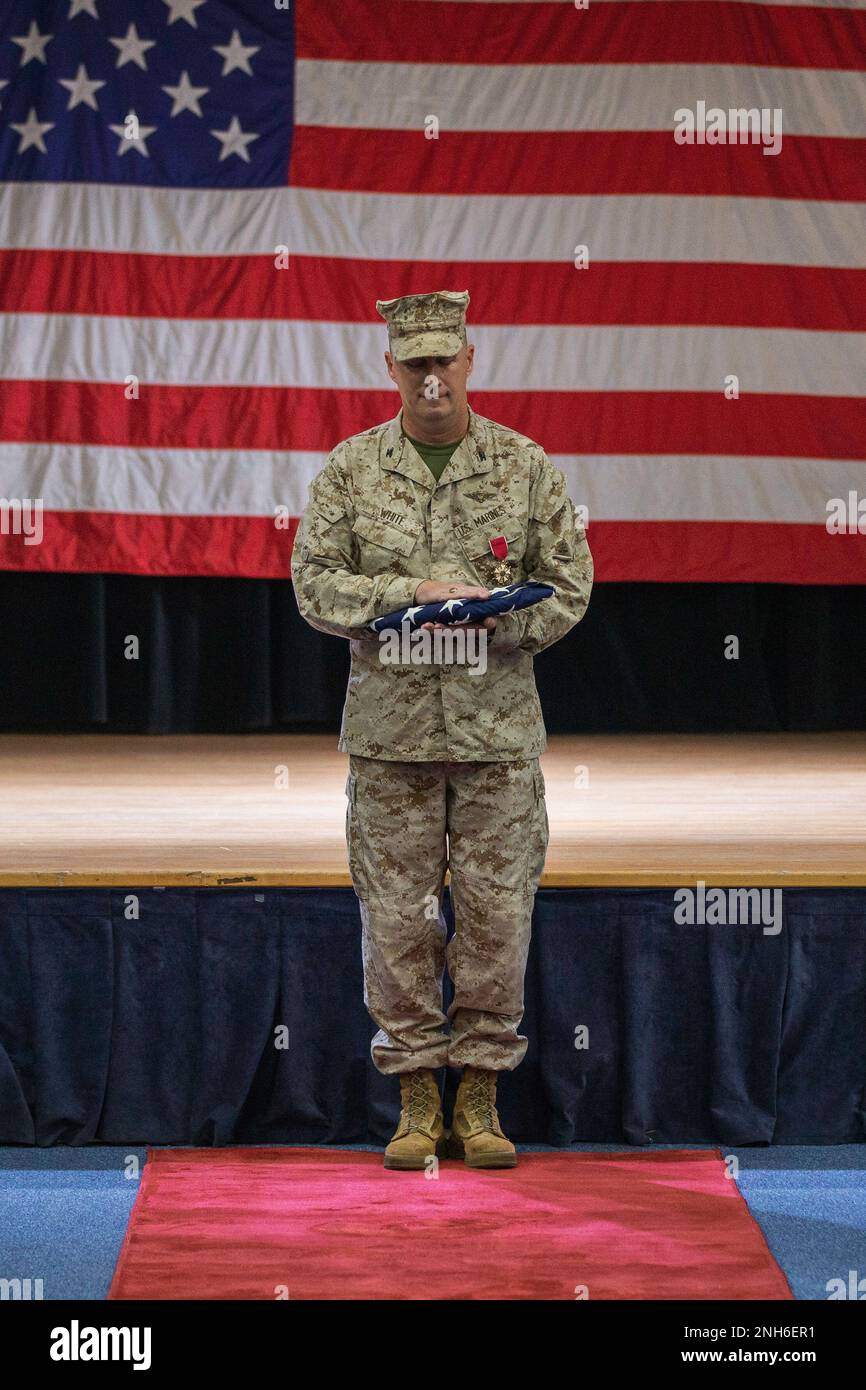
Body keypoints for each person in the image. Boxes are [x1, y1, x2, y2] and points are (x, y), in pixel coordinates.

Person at [292, 290, 593, 1170]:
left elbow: (568, 583)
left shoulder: (523, 465)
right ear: (391, 369)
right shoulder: (352, 469)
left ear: (470, 360)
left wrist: (502, 621)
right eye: (413, 362)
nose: (431, 377)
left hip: (496, 736)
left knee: (498, 918)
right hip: (392, 739)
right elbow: (314, 584)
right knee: (396, 921)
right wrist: (402, 599)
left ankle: (484, 1091)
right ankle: (417, 1091)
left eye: (444, 361)